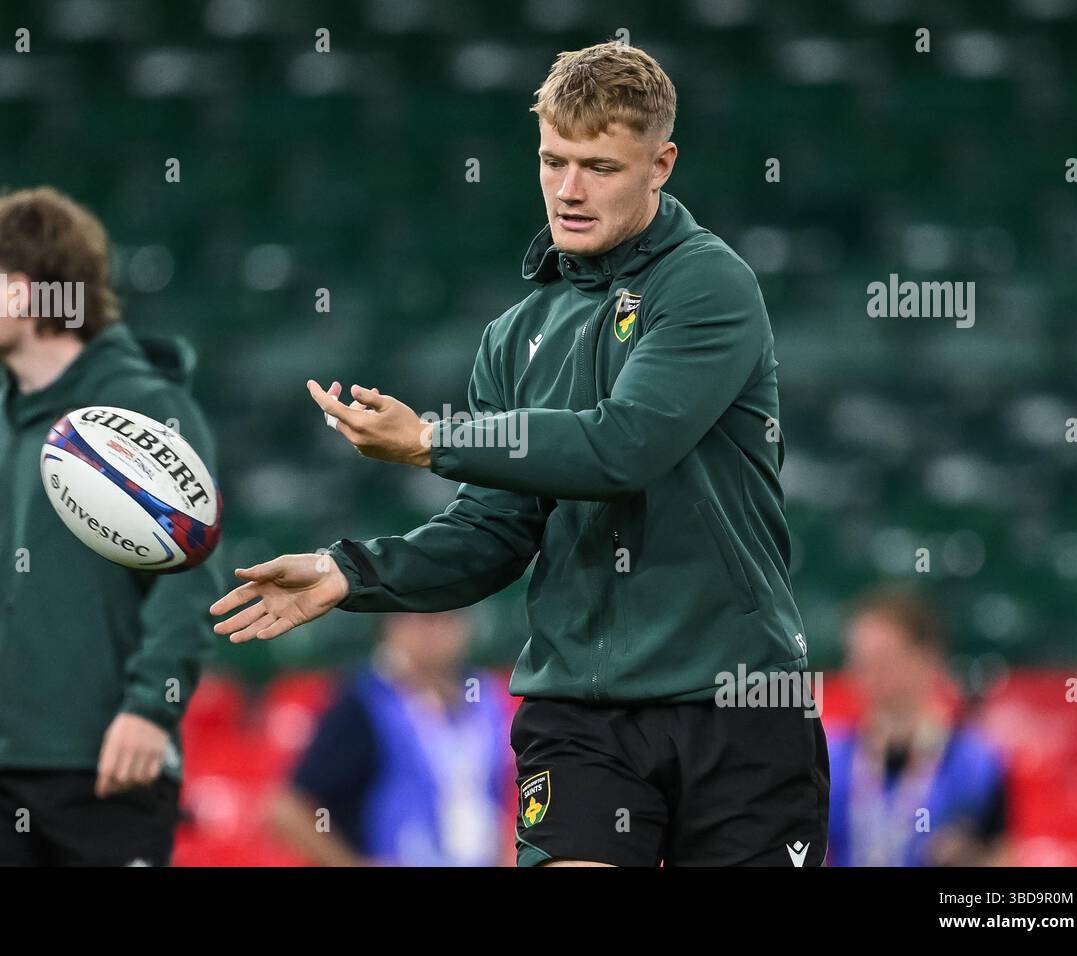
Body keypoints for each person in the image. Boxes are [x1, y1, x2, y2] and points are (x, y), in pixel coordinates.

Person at [213, 41, 827, 867]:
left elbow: (624, 446)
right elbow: (496, 532)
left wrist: (433, 441)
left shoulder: (709, 285)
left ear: (662, 164)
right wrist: (349, 572)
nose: (568, 191)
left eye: (600, 166)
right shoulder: (513, 336)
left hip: (740, 704)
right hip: (581, 714)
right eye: (552, 160)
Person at [0, 187, 222, 866]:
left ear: (26, 294)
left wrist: (151, 710)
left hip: (105, 772)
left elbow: (188, 580)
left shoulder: (145, 407)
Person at [267, 612, 513, 866]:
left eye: (446, 618)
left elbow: (490, 801)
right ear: (391, 627)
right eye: (421, 619)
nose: (434, 633)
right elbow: (287, 808)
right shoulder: (364, 704)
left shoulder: (487, 700)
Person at [827, 589, 1009, 867]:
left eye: (881, 656)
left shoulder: (974, 763)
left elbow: (1004, 857)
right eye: (858, 657)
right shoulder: (832, 758)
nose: (865, 670)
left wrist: (969, 859)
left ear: (926, 658)